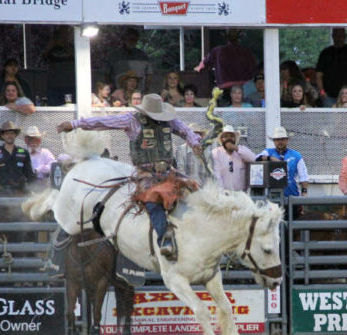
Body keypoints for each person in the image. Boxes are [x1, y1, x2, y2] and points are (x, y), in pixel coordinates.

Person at [56, 94, 203, 259]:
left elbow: (185, 130)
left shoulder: (168, 121)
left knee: (195, 188)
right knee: (153, 200)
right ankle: (164, 239)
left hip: (168, 170)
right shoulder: (132, 120)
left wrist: (195, 142)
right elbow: (103, 122)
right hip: (145, 173)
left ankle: (203, 235)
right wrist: (76, 123)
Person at [0, 121, 36, 198]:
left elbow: (29, 174)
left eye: (12, 133)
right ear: (2, 136)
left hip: (19, 193)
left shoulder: (23, 152)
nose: (10, 136)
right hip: (0, 193)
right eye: (7, 134)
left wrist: (34, 189)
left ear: (15, 135)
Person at [315, 28, 347, 107]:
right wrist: (322, 92)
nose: (338, 38)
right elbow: (318, 75)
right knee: (330, 119)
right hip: (330, 96)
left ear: (345, 36)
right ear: (332, 36)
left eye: (340, 35)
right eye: (336, 35)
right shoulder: (325, 53)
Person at [256, 126, 309, 198]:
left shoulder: (296, 155)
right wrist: (270, 158)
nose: (280, 142)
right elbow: (256, 159)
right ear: (274, 141)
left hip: (293, 197)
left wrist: (304, 192)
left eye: (282, 139)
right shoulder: (268, 152)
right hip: (273, 198)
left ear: (287, 140)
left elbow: (303, 176)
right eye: (277, 139)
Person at [107, 27, 154, 94]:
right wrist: (111, 89)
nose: (131, 42)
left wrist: (146, 90)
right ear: (124, 39)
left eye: (134, 40)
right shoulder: (114, 55)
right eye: (129, 39)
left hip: (139, 93)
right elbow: (107, 74)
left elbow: (149, 75)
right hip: (118, 93)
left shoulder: (142, 56)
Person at [211, 125, 257, 191]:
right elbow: (216, 175)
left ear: (235, 138)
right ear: (221, 139)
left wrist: (236, 148)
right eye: (225, 136)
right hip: (223, 194)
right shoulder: (216, 153)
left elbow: (254, 159)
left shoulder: (241, 150)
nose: (229, 138)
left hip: (241, 194)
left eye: (232, 136)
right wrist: (222, 193)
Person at [42, 26, 75, 105]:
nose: (63, 35)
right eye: (61, 33)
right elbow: (44, 58)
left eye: (65, 33)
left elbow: (78, 57)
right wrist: (52, 43)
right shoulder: (52, 48)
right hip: (54, 85)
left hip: (69, 84)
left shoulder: (71, 47)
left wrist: (65, 44)